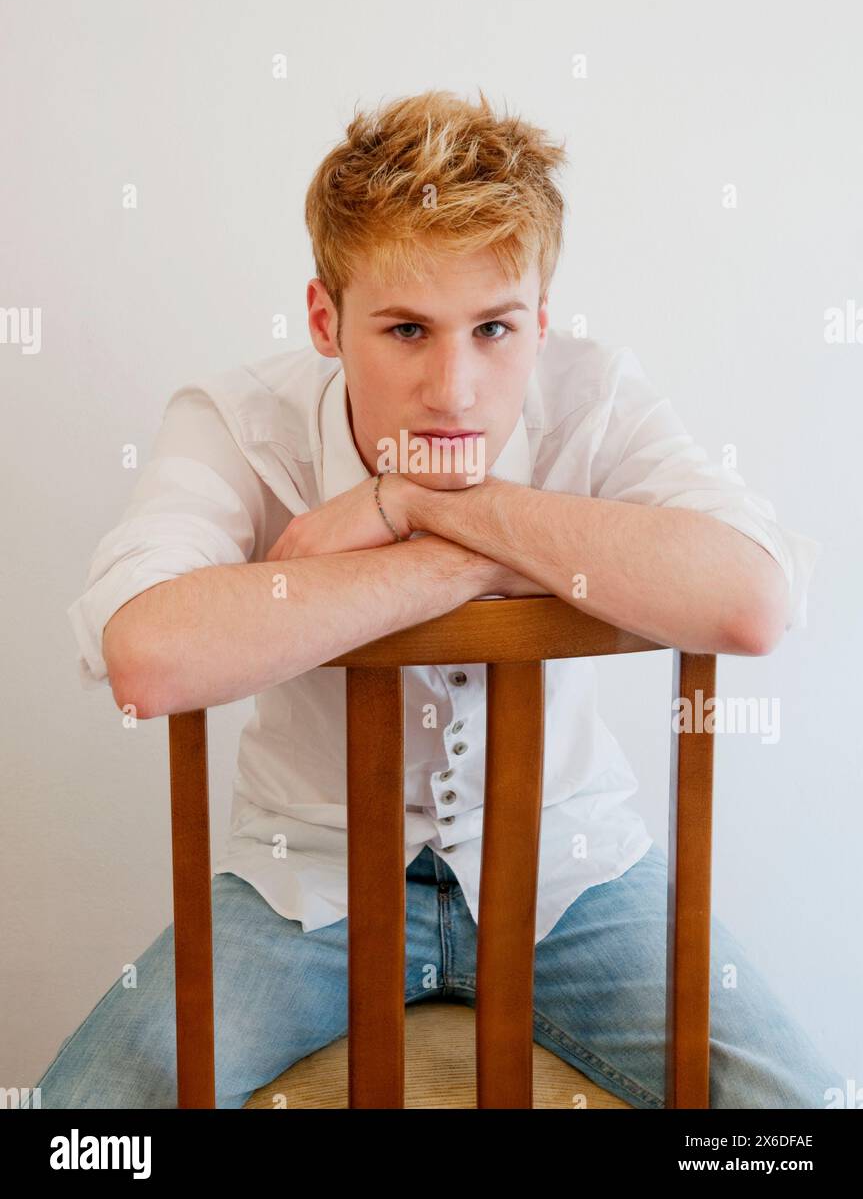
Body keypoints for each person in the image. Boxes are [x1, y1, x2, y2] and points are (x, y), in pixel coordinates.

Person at [37, 89, 838, 1109]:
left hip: (574, 872)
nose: (453, 388)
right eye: (406, 329)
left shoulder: (596, 394)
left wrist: (426, 505)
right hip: (305, 885)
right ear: (326, 318)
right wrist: (485, 554)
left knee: (796, 1112)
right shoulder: (236, 420)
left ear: (540, 322)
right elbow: (147, 654)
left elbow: (749, 599)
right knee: (81, 1115)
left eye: (494, 328)